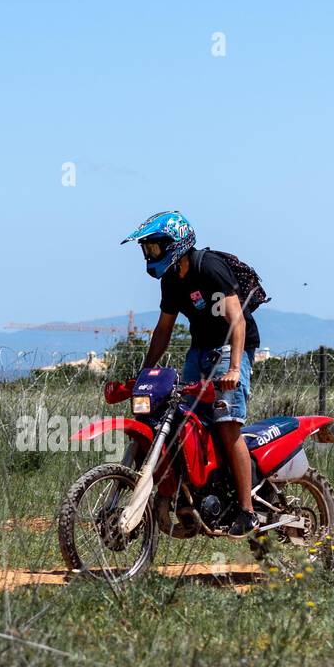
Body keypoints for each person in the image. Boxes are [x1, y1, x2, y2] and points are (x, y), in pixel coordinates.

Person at [122, 210, 260, 536]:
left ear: (176, 243)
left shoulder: (208, 267)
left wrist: (236, 369)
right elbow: (163, 329)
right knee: (181, 424)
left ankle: (247, 510)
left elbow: (236, 320)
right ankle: (194, 495)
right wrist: (145, 372)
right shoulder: (171, 280)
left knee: (227, 426)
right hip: (199, 352)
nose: (150, 254)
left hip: (229, 347)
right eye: (147, 250)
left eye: (154, 248)